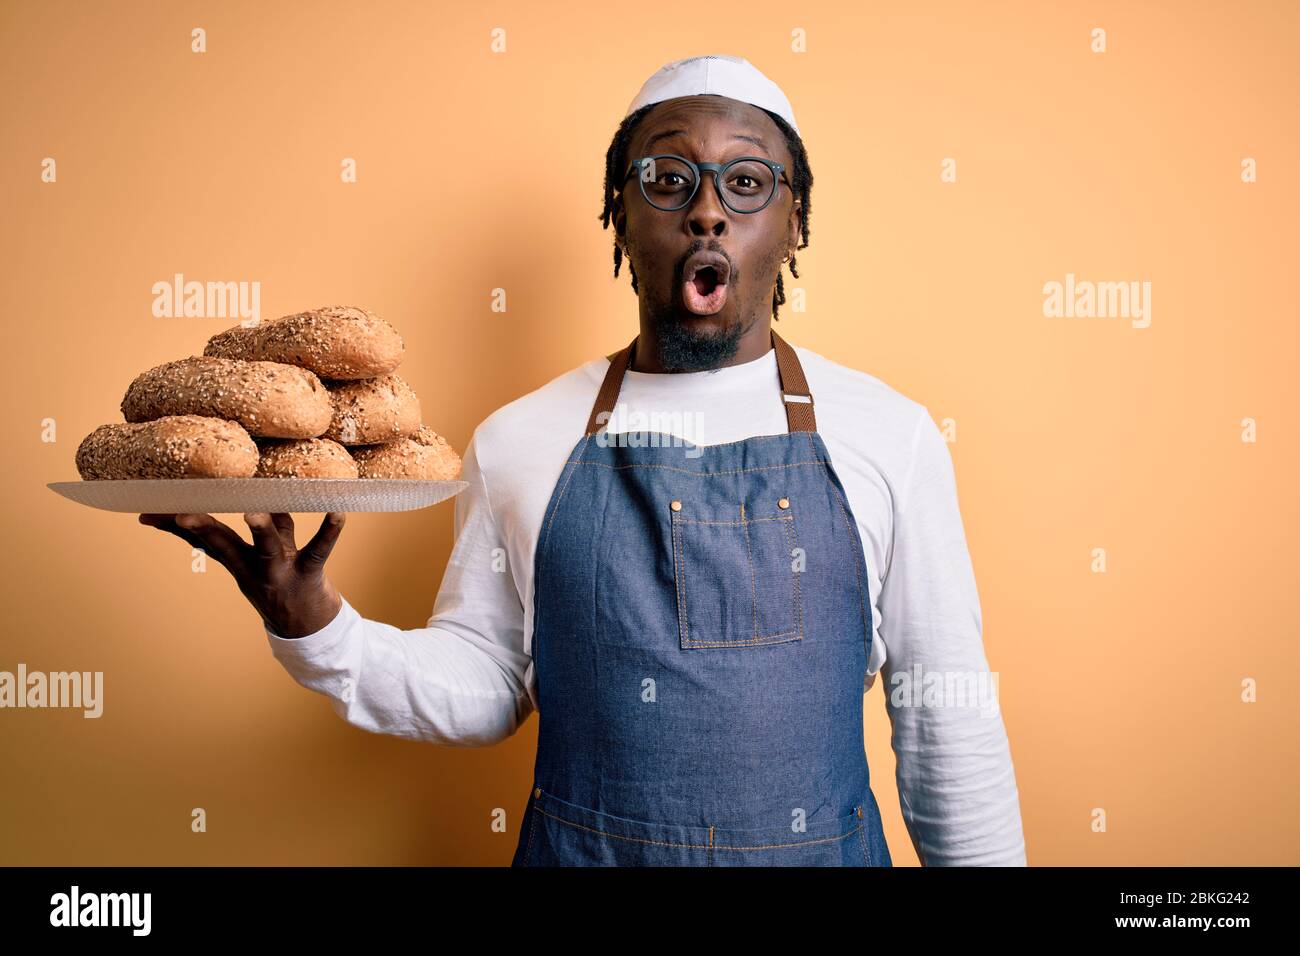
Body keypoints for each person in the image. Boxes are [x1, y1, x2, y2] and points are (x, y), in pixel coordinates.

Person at [141, 55, 1027, 867]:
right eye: (668, 178)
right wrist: (317, 629)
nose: (708, 208)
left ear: (794, 222)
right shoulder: (520, 438)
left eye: (748, 182)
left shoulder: (889, 433)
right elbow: (487, 682)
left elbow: (945, 715)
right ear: (618, 211)